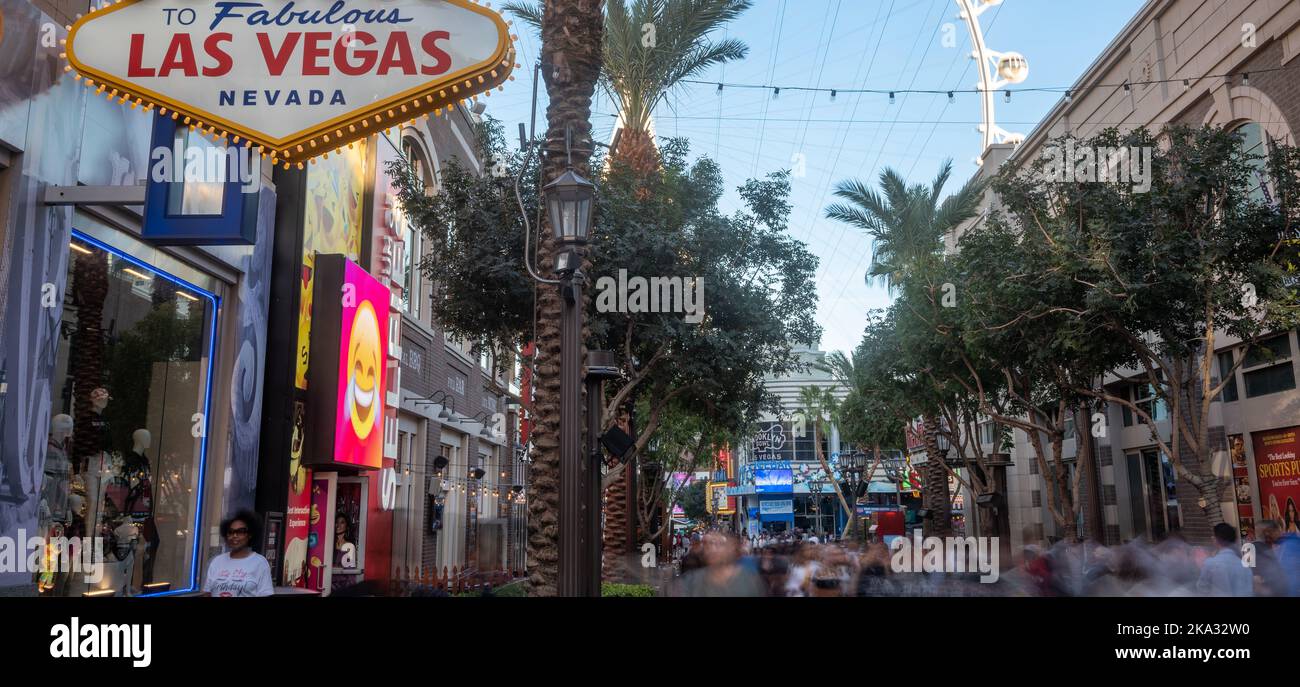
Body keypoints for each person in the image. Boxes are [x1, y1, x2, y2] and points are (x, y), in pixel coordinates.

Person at [202, 509, 274, 597]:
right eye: (230, 532)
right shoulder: (217, 561)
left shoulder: (260, 563)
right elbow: (207, 593)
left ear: (250, 535)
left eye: (240, 531)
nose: (234, 536)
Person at [1196, 523, 1253, 597]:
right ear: (1235, 540)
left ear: (1215, 540)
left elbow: (1202, 589)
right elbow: (1249, 592)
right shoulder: (1245, 566)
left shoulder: (1210, 564)